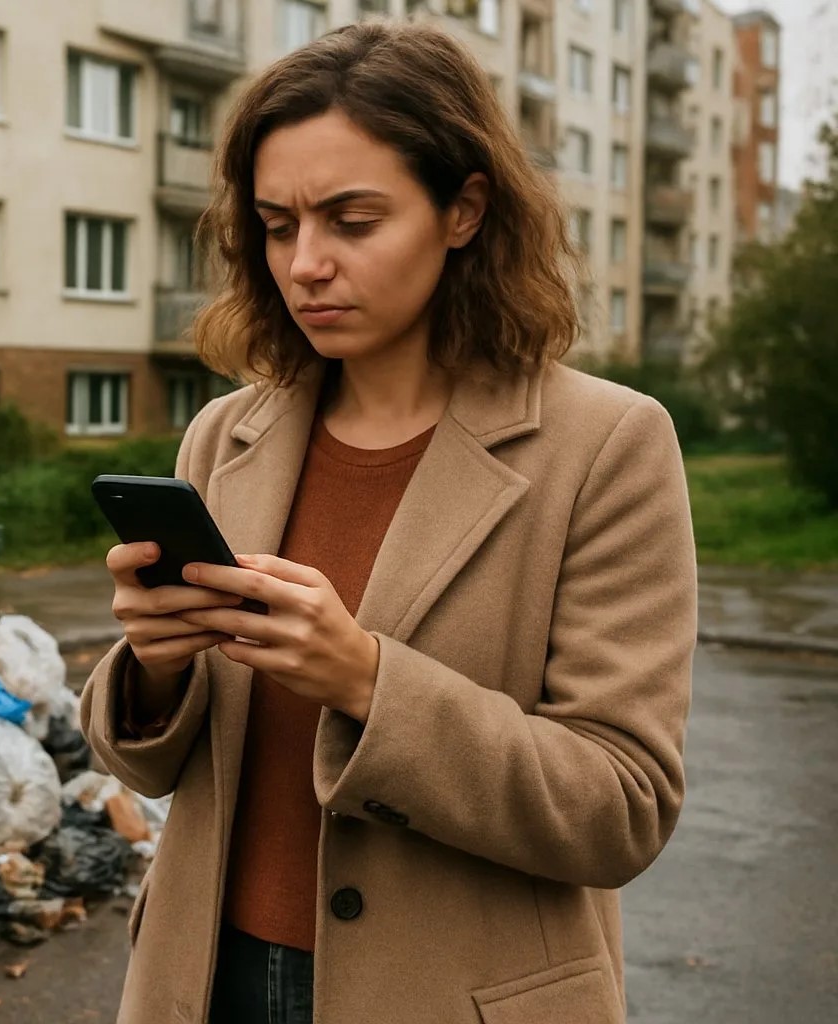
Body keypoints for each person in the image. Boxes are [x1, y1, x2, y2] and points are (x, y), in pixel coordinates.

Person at [80, 20, 696, 1024]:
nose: (306, 264)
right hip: (205, 981)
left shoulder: (607, 445)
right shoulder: (225, 436)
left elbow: (619, 808)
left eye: (352, 221)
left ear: (465, 210)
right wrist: (154, 669)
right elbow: (152, 766)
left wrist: (370, 681)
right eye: (278, 225)